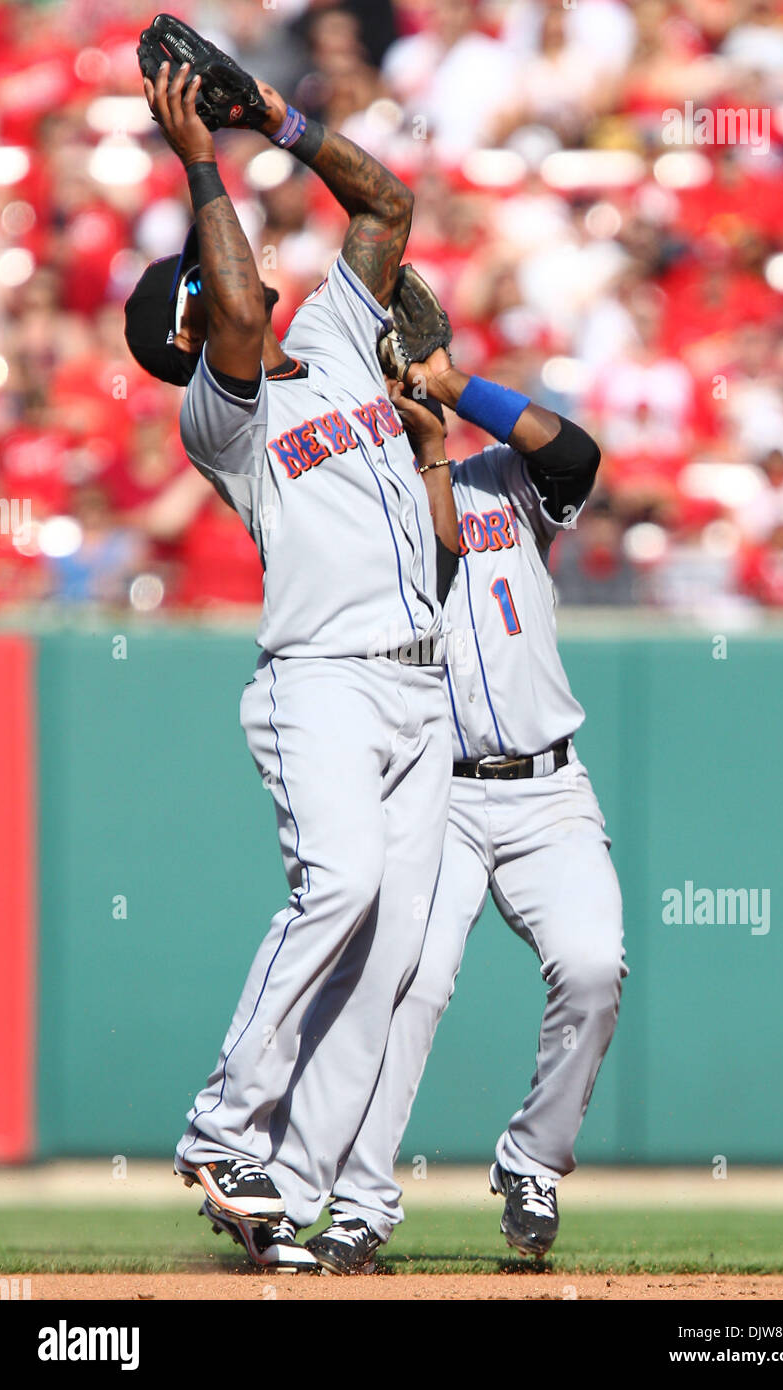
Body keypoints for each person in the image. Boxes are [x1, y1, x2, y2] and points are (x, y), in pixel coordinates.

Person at [124, 59, 459, 1269]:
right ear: (189, 328)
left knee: (396, 959)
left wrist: (274, 116)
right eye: (215, 290)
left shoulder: (331, 328)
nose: (245, 285)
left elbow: (384, 208)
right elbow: (232, 305)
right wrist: (202, 163)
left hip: (421, 686)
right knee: (343, 891)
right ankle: (222, 1128)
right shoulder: (222, 415)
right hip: (319, 678)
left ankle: (284, 1186)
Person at [301, 354, 627, 1272]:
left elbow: (576, 449)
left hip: (547, 788)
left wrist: (453, 387)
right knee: (412, 982)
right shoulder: (363, 512)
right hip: (433, 794)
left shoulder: (506, 480)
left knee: (594, 966)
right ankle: (362, 1204)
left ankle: (531, 1163)